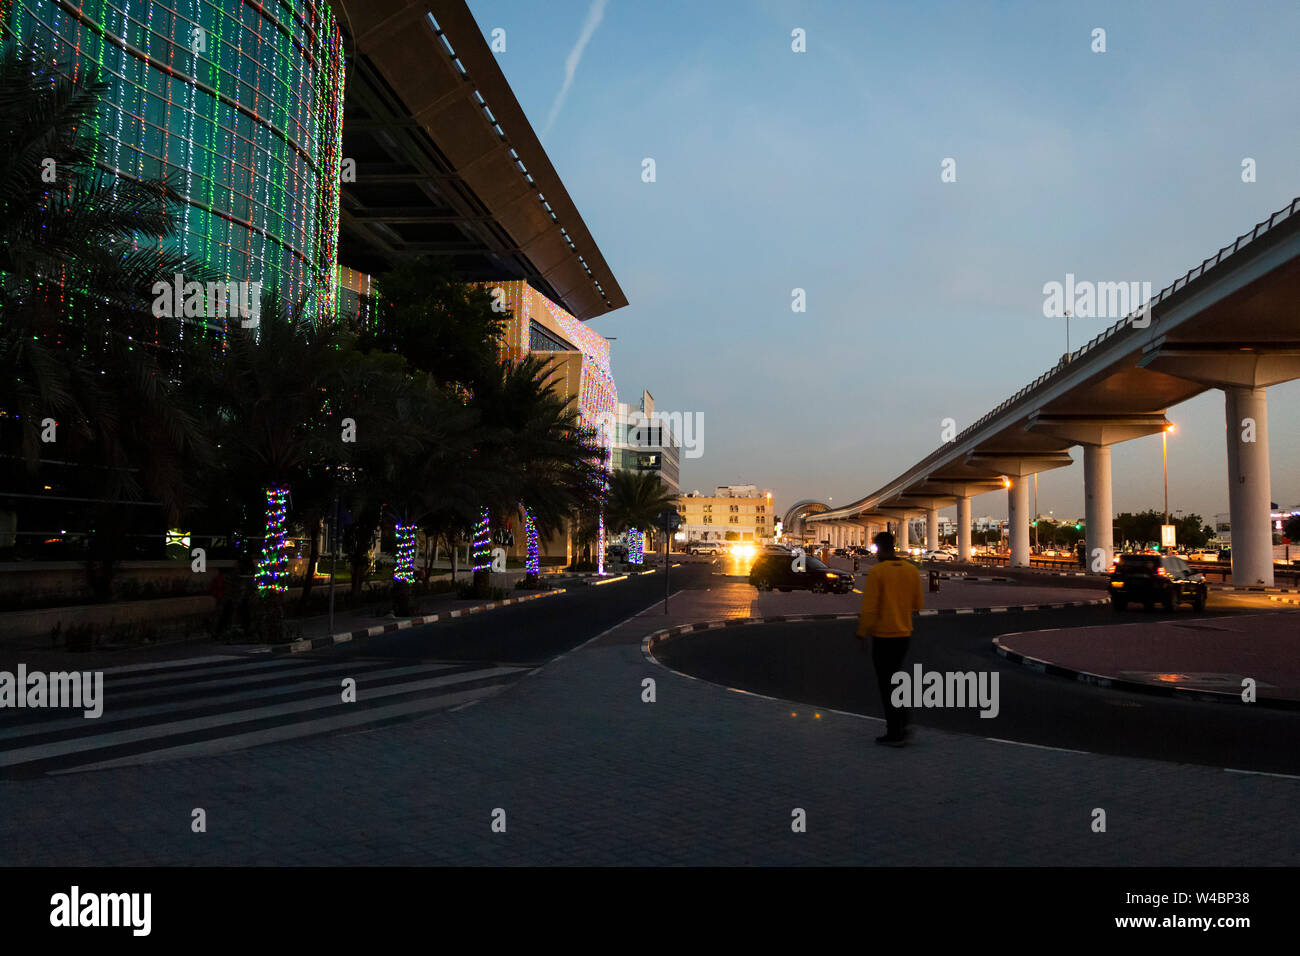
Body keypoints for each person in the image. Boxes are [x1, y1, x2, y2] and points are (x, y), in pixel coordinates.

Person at [856, 530, 924, 747]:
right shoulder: (911, 570)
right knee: (895, 679)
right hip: (904, 635)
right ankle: (902, 721)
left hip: (883, 636)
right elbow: (918, 605)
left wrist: (861, 633)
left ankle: (895, 731)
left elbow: (869, 608)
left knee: (886, 684)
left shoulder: (878, 572)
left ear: (879, 548)